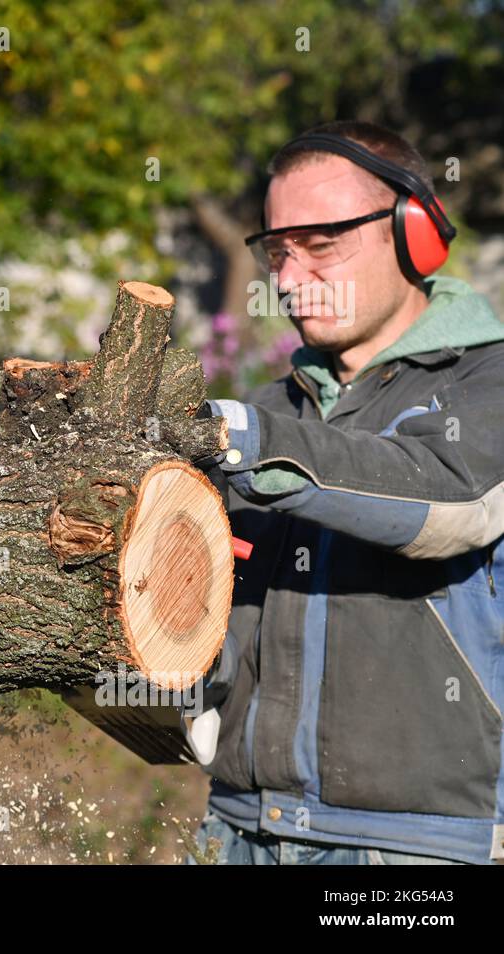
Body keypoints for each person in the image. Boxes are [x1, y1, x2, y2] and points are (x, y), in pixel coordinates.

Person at [182, 120, 504, 865]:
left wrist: (249, 443)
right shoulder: (269, 413)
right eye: (276, 253)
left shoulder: (486, 389)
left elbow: (450, 504)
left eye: (321, 244)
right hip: (238, 829)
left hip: (414, 848)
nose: (290, 280)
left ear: (414, 232)